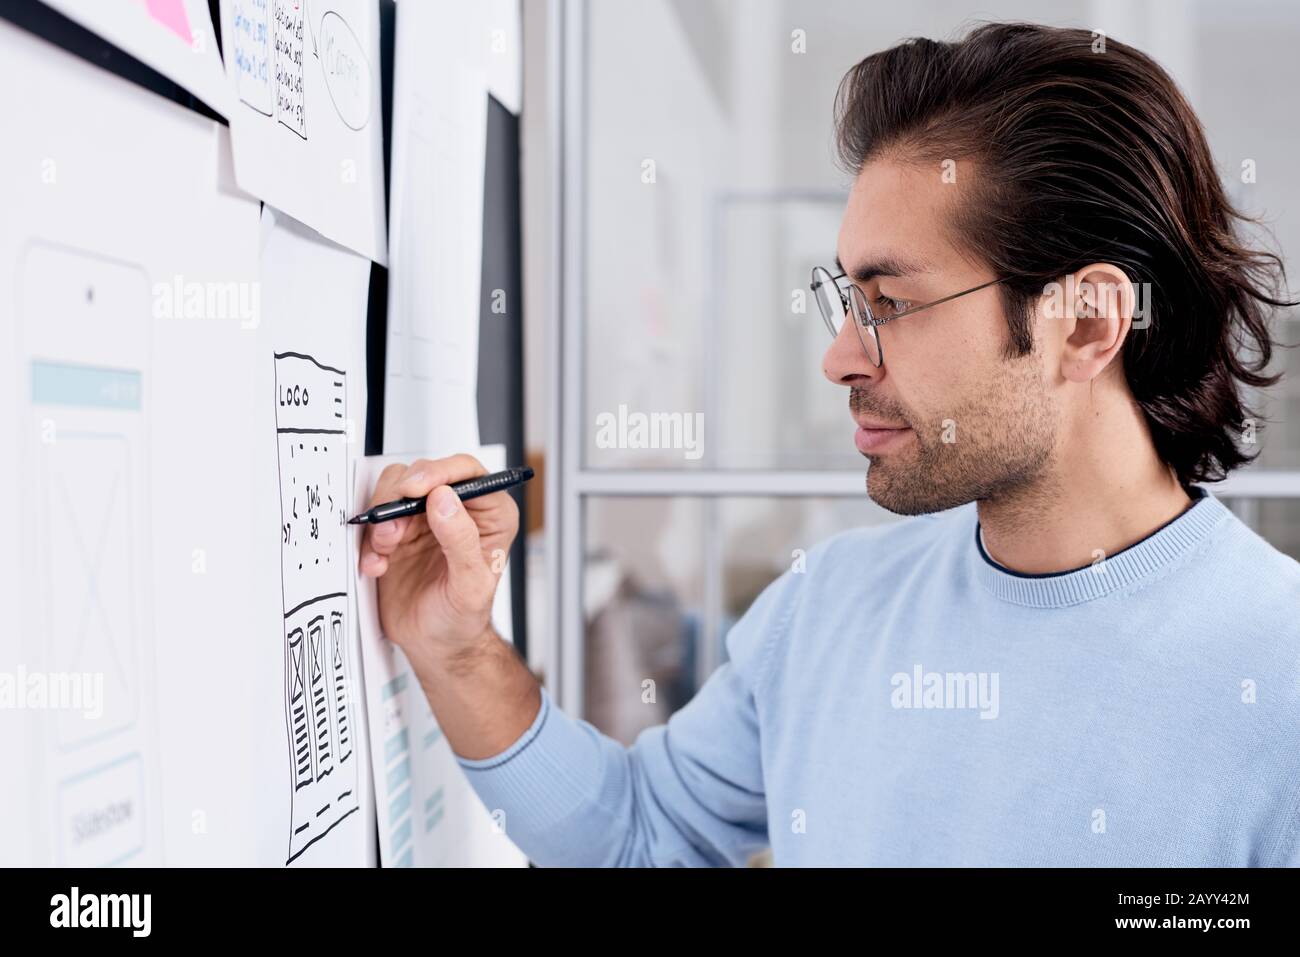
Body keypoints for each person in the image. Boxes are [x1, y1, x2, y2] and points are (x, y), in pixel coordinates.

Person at [359, 22, 1300, 866]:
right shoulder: (827, 606)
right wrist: (457, 646)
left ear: (1089, 324)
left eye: (891, 302)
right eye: (849, 300)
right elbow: (638, 834)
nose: (840, 356)